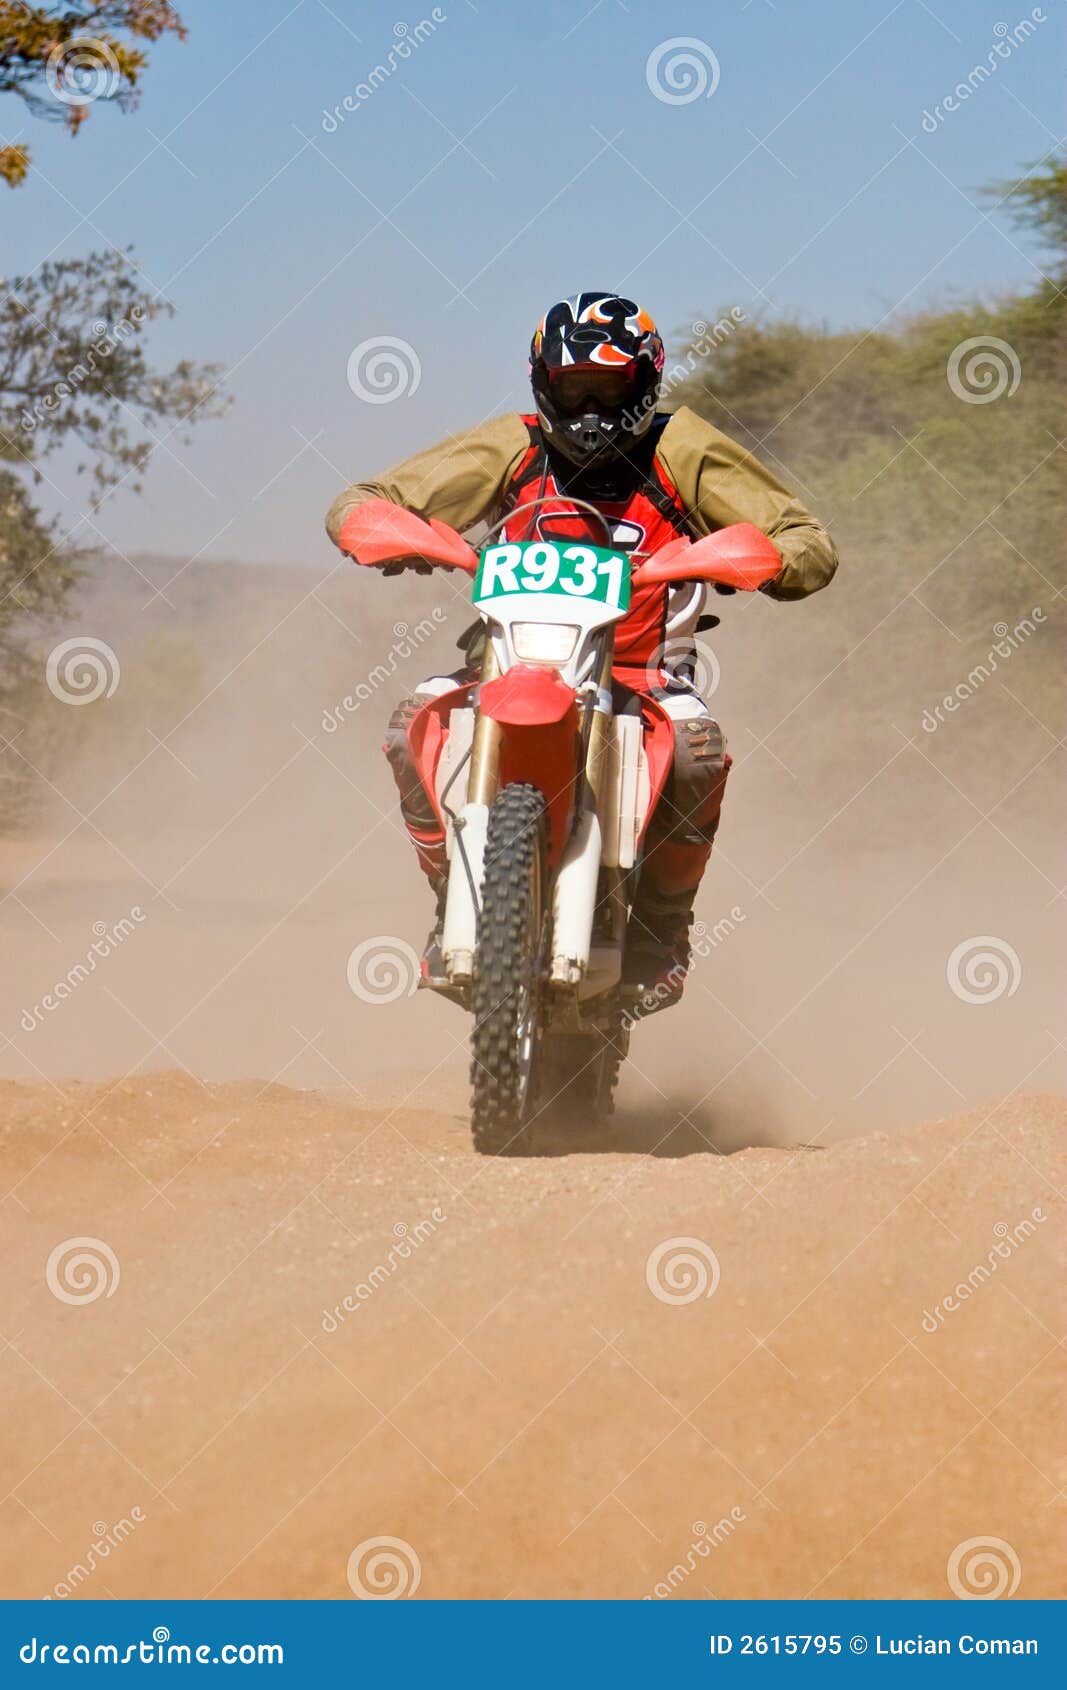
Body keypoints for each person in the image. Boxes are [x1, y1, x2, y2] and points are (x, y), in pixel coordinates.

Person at [326, 292, 838, 995]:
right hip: (506, 664)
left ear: (644, 384)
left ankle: (662, 927)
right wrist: (389, 530)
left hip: (644, 673)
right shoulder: (514, 444)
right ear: (544, 384)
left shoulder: (678, 448)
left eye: (609, 388)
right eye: (575, 389)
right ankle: (453, 895)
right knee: (408, 726)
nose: (591, 407)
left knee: (697, 757)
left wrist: (759, 559)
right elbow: (365, 499)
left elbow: (806, 539)